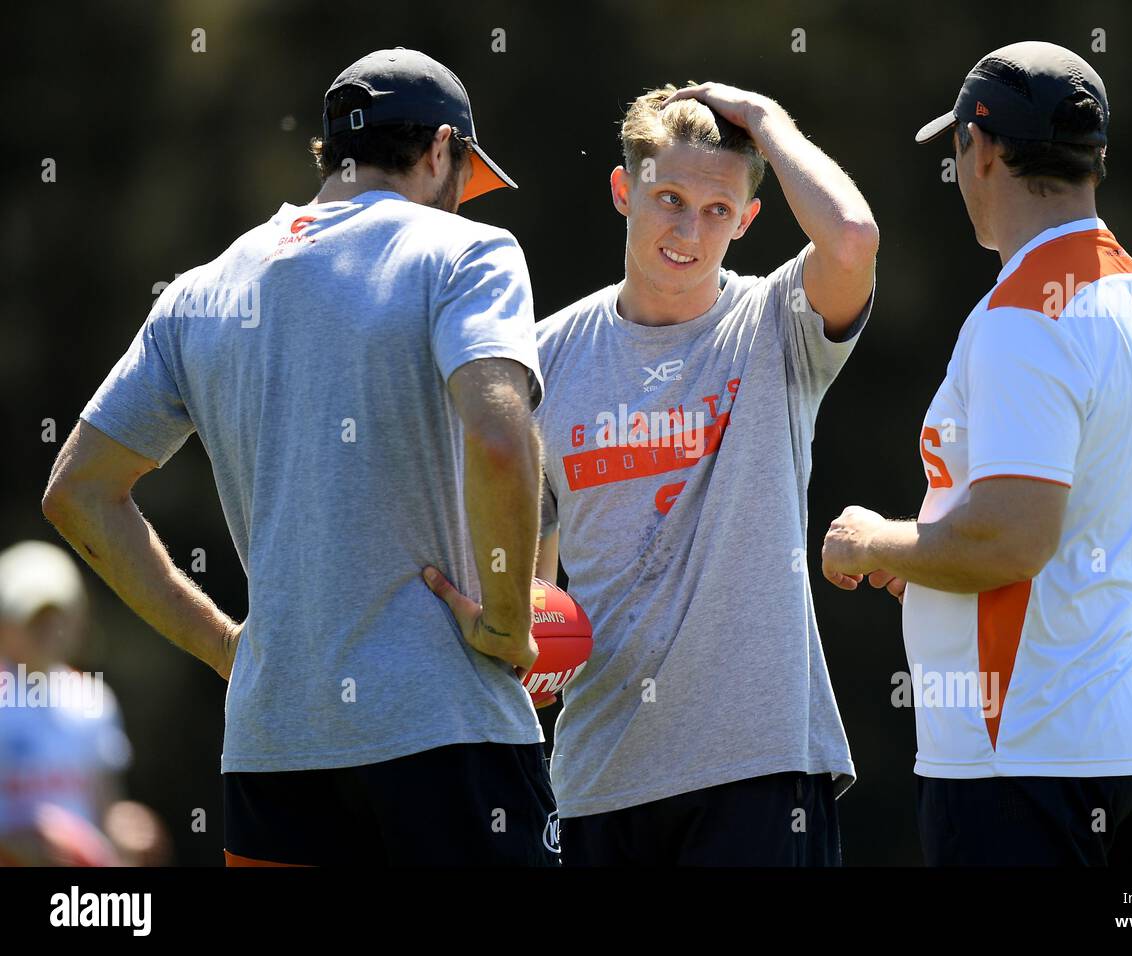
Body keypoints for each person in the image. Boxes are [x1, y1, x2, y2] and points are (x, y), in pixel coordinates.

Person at [41, 48, 558, 866]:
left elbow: (77, 494)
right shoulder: (468, 253)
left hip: (273, 746)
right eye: (463, 173)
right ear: (438, 152)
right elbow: (500, 439)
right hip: (445, 730)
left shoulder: (199, 292)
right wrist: (506, 622)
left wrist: (224, 645)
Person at [821, 41, 1132, 865]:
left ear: (981, 150)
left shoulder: (1022, 317)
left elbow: (1013, 540)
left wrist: (869, 540)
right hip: (1128, 746)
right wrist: (933, 568)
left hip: (1020, 759)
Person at [513, 81, 876, 865]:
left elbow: (850, 239)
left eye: (718, 210)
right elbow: (527, 570)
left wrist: (772, 125)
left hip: (758, 770)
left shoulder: (776, 323)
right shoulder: (542, 358)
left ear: (748, 219)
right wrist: (523, 639)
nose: (689, 229)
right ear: (623, 190)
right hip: (597, 779)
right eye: (670, 197)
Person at [0, 540, 169, 867]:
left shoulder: (92, 701)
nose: (49, 631)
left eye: (58, 617)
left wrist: (125, 833)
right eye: (35, 618)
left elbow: (103, 806)